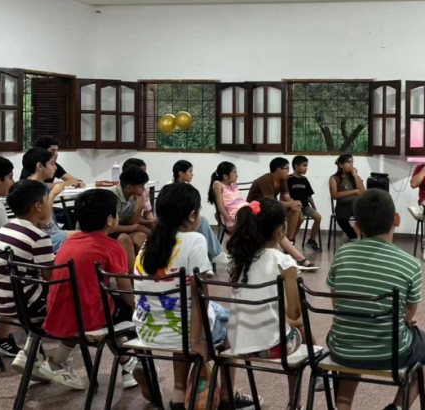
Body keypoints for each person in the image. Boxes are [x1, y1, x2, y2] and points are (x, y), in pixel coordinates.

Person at [130, 183, 255, 408]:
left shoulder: (150, 242)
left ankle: (179, 393)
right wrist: (198, 341)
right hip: (181, 334)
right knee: (232, 323)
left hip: (146, 331)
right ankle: (227, 395)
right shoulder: (194, 240)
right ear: (192, 214)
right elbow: (200, 298)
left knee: (190, 313)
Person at [327, 189, 425, 410]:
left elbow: (337, 303)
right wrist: (400, 318)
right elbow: (409, 312)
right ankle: (397, 406)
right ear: (396, 219)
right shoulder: (410, 263)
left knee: (354, 329)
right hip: (390, 353)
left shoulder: (342, 254)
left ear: (357, 227)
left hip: (342, 349)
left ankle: (343, 404)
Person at [0, 180, 81, 386]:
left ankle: (30, 353)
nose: (49, 204)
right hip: (21, 306)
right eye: (47, 199)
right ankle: (56, 363)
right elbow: (50, 279)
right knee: (77, 306)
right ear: (38, 206)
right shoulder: (38, 236)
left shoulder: (4, 230)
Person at [43, 189, 139, 390]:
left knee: (103, 303)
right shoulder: (112, 247)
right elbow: (125, 291)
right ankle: (128, 365)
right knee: (127, 310)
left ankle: (56, 361)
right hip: (88, 317)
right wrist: (140, 308)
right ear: (110, 219)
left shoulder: (68, 242)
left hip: (57, 312)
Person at [225, 198, 303, 408]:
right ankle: (294, 403)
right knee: (303, 328)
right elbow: (295, 312)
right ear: (281, 230)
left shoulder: (238, 260)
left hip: (237, 343)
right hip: (273, 347)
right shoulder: (284, 261)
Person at [211, 161, 316, 270]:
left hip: (246, 208)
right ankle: (291, 260)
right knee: (270, 227)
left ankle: (297, 259)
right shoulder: (218, 184)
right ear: (225, 175)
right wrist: (228, 220)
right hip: (236, 214)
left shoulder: (233, 184)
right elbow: (220, 205)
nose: (237, 175)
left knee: (272, 226)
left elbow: (240, 200)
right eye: (234, 172)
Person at [170, 160, 228, 275]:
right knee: (202, 223)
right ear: (181, 173)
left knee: (202, 225)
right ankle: (213, 258)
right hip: (176, 221)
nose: (192, 174)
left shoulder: (187, 187)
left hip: (187, 219)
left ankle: (209, 262)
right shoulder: (170, 187)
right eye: (190, 171)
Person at [23, 147, 79, 253]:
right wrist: (53, 195)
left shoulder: (42, 185)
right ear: (40, 166)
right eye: (52, 164)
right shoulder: (31, 189)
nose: (55, 168)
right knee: (86, 236)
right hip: (44, 238)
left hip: (53, 232)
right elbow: (43, 221)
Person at [109, 167, 151, 263]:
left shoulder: (132, 196)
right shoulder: (112, 196)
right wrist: (132, 228)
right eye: (141, 186)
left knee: (143, 235)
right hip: (106, 231)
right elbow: (109, 227)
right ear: (128, 188)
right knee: (125, 238)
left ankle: (144, 269)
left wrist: (140, 206)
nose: (144, 189)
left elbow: (132, 221)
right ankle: (132, 275)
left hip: (119, 228)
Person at [329, 154, 366, 245]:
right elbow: (334, 195)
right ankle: (352, 235)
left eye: (352, 162)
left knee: (366, 217)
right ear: (341, 165)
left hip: (356, 203)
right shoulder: (334, 178)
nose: (351, 165)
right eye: (348, 162)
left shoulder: (355, 177)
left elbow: (363, 192)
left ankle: (365, 239)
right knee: (341, 218)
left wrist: (356, 176)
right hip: (343, 203)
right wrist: (353, 192)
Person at [288, 155, 322, 252]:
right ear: (296, 166)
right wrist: (292, 204)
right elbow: (285, 195)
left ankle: (311, 241)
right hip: (294, 206)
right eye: (304, 165)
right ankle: (292, 239)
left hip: (305, 206)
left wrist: (314, 207)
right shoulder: (289, 179)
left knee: (318, 217)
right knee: (301, 218)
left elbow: (309, 196)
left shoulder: (304, 180)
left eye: (306, 166)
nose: (306, 168)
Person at [19, 136, 85, 186]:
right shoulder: (31, 166)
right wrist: (62, 184)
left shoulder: (54, 166)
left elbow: (70, 179)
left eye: (57, 150)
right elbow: (34, 186)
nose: (56, 154)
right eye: (52, 151)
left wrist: (78, 182)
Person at [123, 158, 156, 228]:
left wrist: (154, 222)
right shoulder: (125, 193)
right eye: (141, 173)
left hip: (139, 220)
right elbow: (129, 220)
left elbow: (148, 212)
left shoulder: (143, 190)